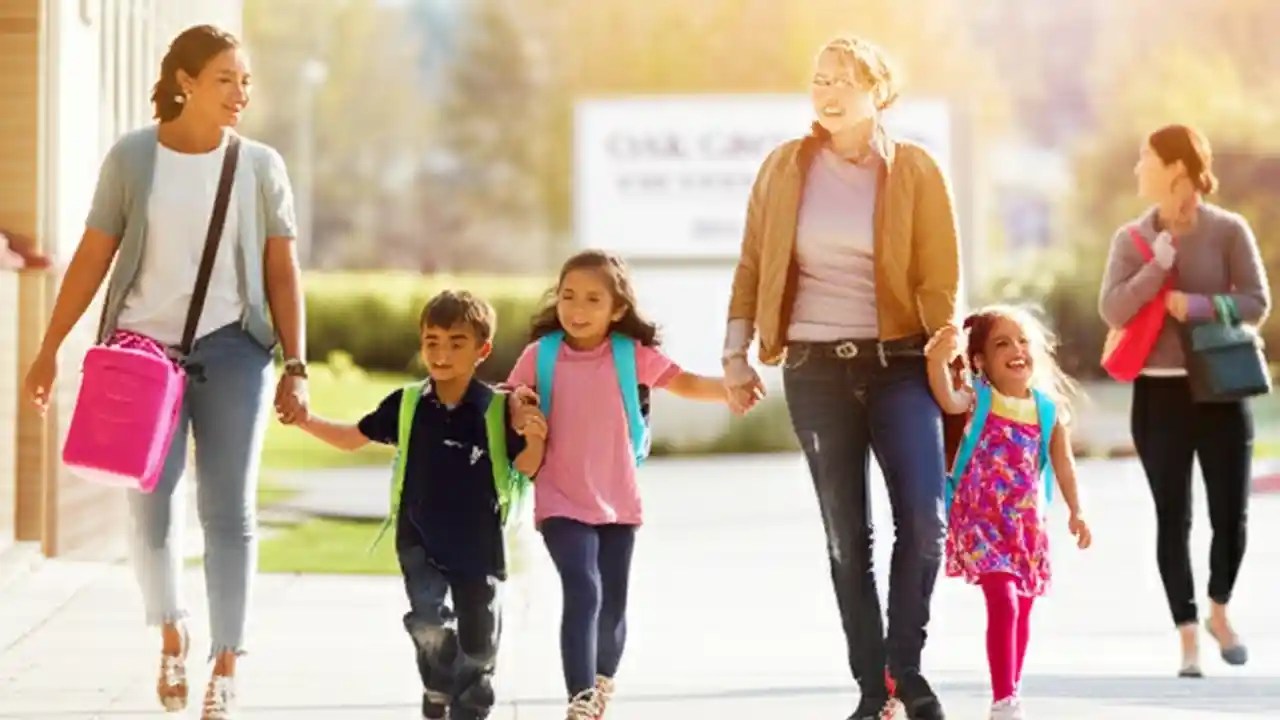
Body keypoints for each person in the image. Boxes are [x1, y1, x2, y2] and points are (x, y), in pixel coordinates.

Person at [22, 25, 306, 720]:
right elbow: (92, 258)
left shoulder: (261, 167)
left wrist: (295, 363)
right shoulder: (133, 159)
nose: (240, 93)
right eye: (224, 79)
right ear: (183, 81)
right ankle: (172, 628)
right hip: (141, 357)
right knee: (149, 518)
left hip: (233, 350)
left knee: (229, 512)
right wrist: (50, 345)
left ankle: (227, 662)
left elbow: (280, 270)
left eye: (245, 81)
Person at [721, 34, 960, 720]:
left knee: (923, 518)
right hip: (814, 371)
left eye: (842, 81)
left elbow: (939, 278)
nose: (826, 92)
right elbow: (751, 266)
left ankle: (904, 669)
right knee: (844, 535)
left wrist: (950, 359)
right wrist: (736, 355)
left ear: (877, 91)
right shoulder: (783, 167)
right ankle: (871, 690)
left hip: (902, 366)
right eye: (818, 80)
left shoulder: (915, 168)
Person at [292, 290, 545, 720]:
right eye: (432, 341)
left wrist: (535, 433)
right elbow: (353, 438)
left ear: (482, 350)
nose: (441, 353)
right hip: (419, 539)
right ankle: (439, 685)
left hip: (478, 545)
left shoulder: (498, 408)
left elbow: (529, 465)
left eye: (456, 342)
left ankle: (470, 702)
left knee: (480, 640)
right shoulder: (408, 404)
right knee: (429, 623)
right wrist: (304, 419)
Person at [504, 249, 730, 719]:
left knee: (613, 600)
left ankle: (603, 680)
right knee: (583, 588)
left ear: (617, 310)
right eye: (568, 296)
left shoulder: (630, 356)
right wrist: (521, 409)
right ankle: (580, 697)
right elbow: (508, 397)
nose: (577, 309)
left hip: (617, 500)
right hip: (560, 496)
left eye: (592, 299)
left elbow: (683, 382)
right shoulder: (539, 355)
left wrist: (734, 388)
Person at [1098, 124, 1269, 677]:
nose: (1137, 168)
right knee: (1173, 518)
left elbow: (1256, 302)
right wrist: (1157, 267)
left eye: (1145, 157)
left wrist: (1193, 306)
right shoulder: (1132, 238)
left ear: (1176, 168)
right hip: (1159, 395)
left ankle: (1220, 610)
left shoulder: (1228, 231)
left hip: (1221, 392)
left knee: (1231, 518)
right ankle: (1189, 635)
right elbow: (1112, 311)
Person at [925, 308, 1092, 720]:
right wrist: (935, 360)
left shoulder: (1047, 409)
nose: (1017, 350)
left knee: (1022, 606)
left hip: (1024, 526)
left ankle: (1010, 691)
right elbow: (947, 397)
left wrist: (1077, 510)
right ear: (980, 360)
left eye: (1022, 342)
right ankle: (1004, 700)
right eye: (1002, 343)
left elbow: (1063, 463)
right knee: (1003, 599)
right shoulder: (979, 400)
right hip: (980, 521)